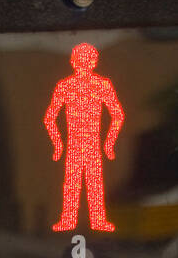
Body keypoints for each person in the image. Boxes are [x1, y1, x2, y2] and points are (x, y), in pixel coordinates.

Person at [44, 43, 124, 232]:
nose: (83, 64)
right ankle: (69, 221)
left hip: (92, 144)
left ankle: (97, 221)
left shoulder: (102, 85)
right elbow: (49, 117)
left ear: (94, 62)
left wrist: (109, 143)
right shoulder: (65, 86)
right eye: (80, 60)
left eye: (87, 60)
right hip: (74, 143)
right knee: (72, 184)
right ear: (73, 62)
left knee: (94, 183)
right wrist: (58, 144)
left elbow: (118, 115)